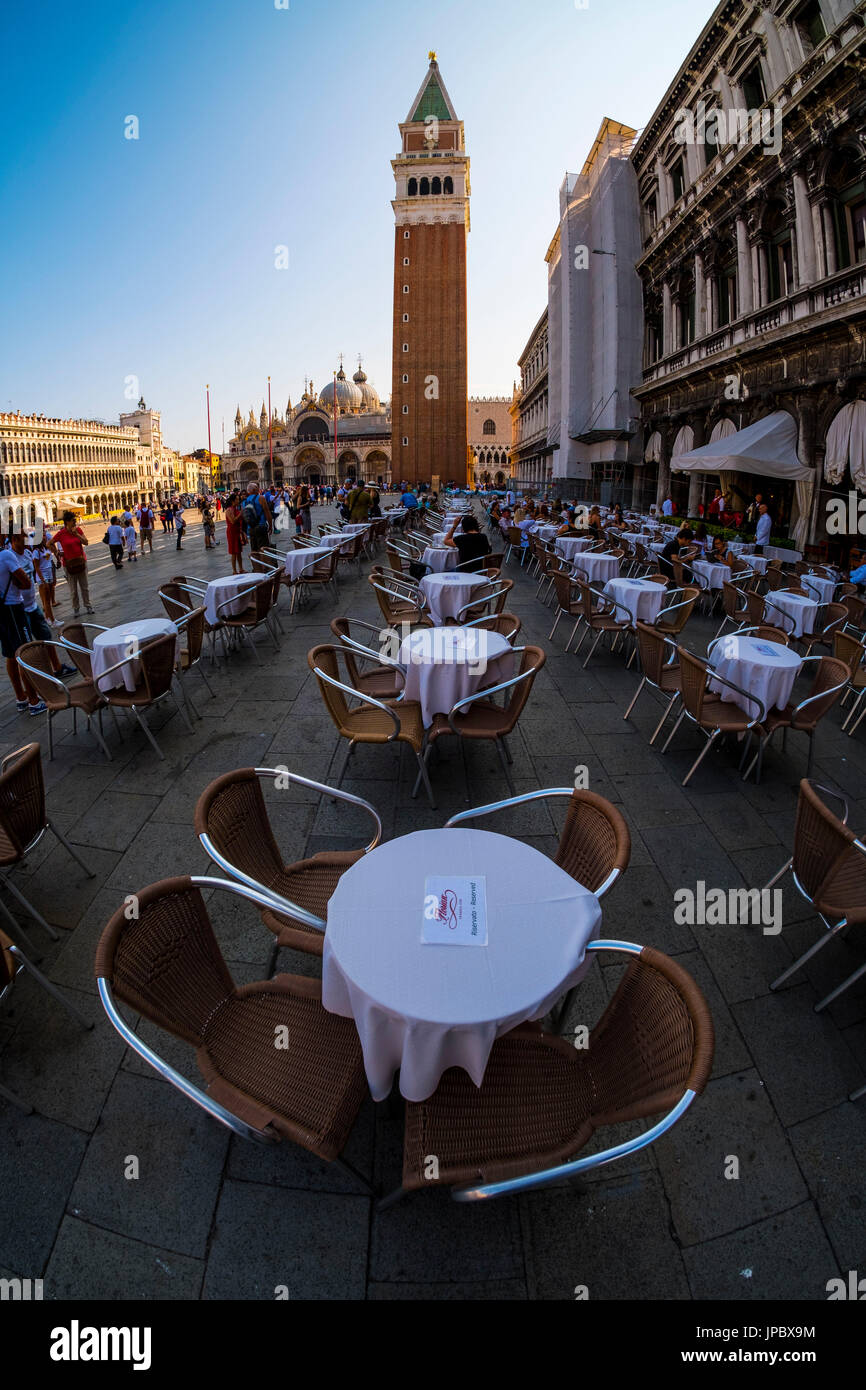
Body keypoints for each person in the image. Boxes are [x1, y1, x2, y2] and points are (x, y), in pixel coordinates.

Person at [50, 512, 94, 615]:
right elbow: (49, 543)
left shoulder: (78, 530)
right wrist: (56, 552)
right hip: (68, 564)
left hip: (81, 561)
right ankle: (76, 608)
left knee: (85, 587)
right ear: (67, 522)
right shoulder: (61, 533)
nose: (75, 522)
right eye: (73, 521)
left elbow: (86, 542)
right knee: (73, 589)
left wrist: (77, 535)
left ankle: (88, 606)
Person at [241, 483, 272, 551]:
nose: (259, 489)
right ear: (255, 489)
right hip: (261, 526)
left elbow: (244, 517)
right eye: (258, 488)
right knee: (264, 550)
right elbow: (267, 513)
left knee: (254, 550)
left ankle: (256, 561)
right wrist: (270, 526)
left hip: (251, 528)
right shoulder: (261, 498)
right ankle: (264, 561)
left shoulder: (244, 502)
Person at [224, 491, 246, 575]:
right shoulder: (229, 510)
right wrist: (241, 513)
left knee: (239, 551)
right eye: (237, 499)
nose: (238, 501)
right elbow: (232, 521)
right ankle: (234, 570)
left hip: (237, 531)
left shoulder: (236, 509)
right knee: (234, 552)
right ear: (233, 501)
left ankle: (241, 569)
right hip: (232, 532)